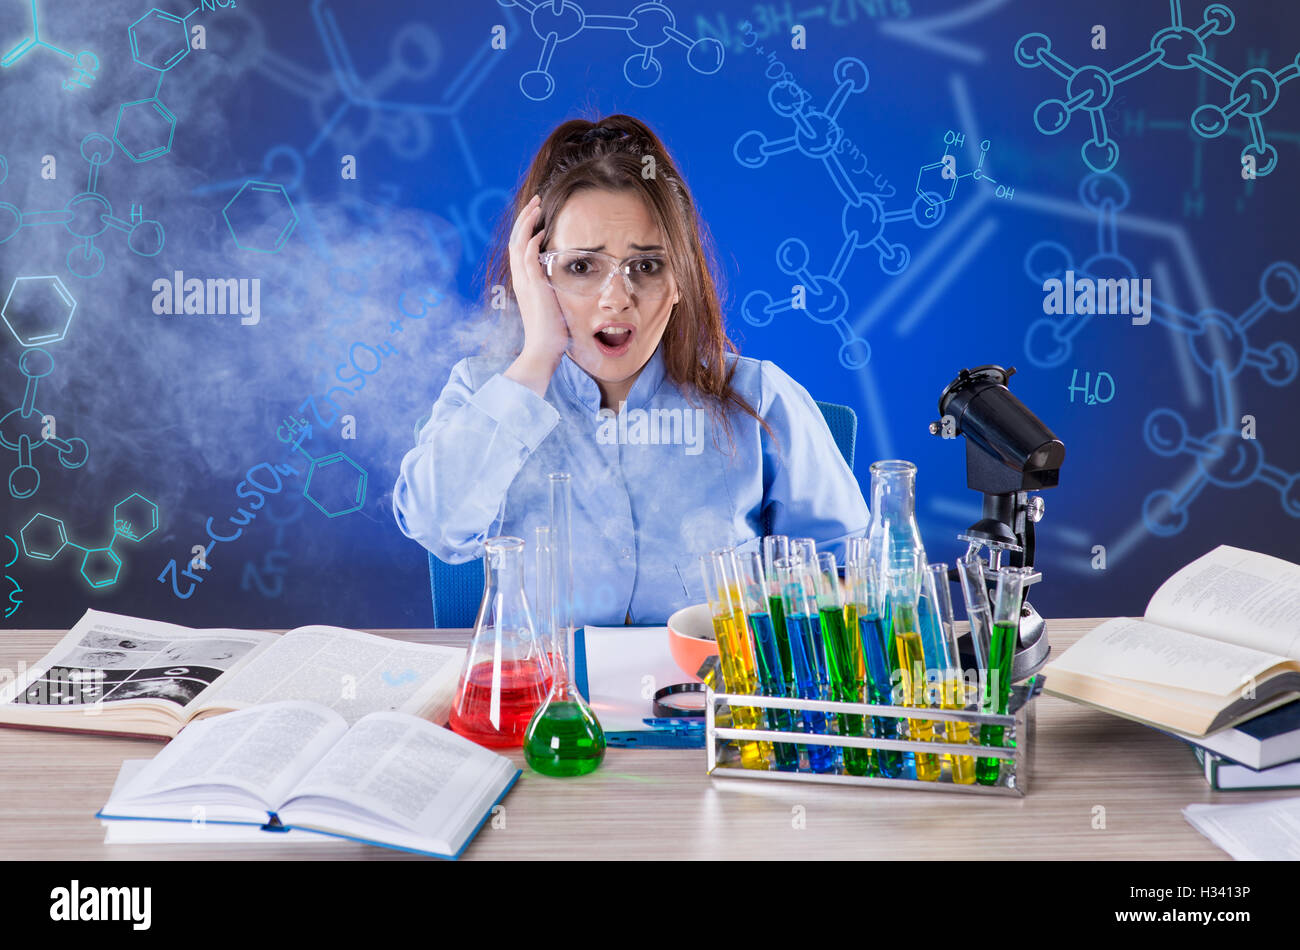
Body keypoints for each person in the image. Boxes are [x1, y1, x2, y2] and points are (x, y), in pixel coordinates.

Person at [393, 114, 868, 624]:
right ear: (536, 275)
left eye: (646, 266)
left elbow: (850, 574)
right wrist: (536, 358)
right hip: (548, 698)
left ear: (681, 278)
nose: (616, 298)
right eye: (580, 266)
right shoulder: (486, 391)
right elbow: (436, 526)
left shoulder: (758, 397)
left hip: (709, 695)